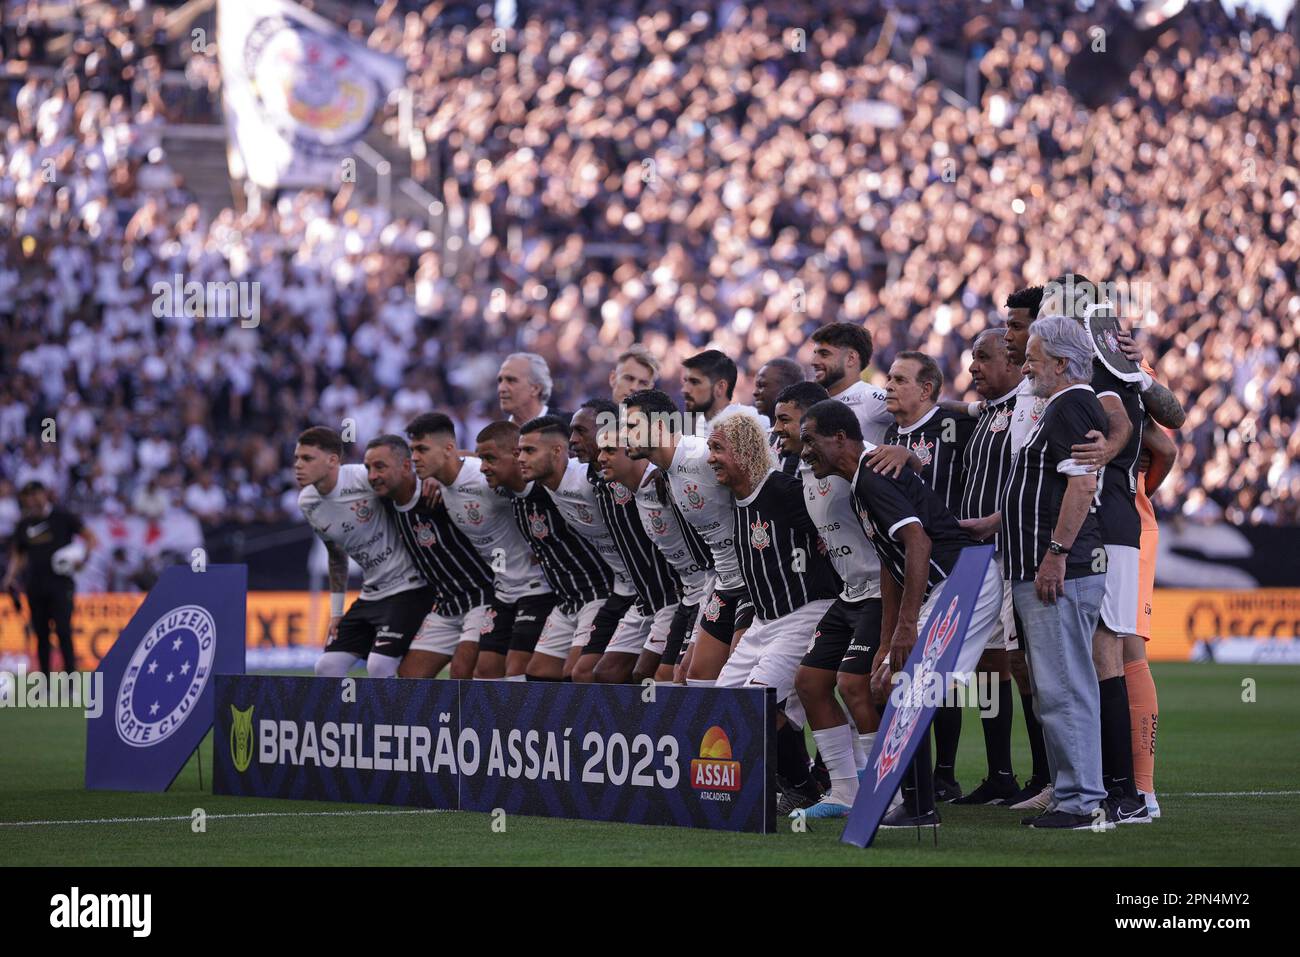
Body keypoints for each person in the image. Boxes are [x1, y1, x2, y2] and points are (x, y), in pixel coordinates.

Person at [800, 399, 1004, 829]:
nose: (803, 452)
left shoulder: (871, 477)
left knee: (911, 687)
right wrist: (886, 639)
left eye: (809, 440)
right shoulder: (861, 483)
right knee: (899, 684)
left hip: (961, 580)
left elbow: (918, 543)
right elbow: (891, 565)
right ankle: (916, 801)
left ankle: (921, 804)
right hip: (952, 582)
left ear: (840, 438)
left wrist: (908, 625)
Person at [999, 316, 1115, 830]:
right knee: (1060, 684)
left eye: (1034, 357)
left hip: (1058, 570)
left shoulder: (1069, 404)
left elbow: (1081, 485)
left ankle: (1080, 799)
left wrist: (1055, 552)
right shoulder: (1066, 405)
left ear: (1062, 364)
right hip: (1050, 565)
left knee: (1063, 685)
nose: (1025, 365)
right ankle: (1075, 793)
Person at [706, 411, 839, 814]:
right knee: (720, 709)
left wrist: (825, 540)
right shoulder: (738, 499)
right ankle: (798, 785)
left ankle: (794, 789)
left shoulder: (783, 490)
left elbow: (832, 521)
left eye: (718, 448)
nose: (711, 458)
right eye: (709, 448)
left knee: (757, 707)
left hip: (803, 614)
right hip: (764, 621)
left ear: (745, 451)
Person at [773, 381, 887, 818]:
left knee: (854, 685)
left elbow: (907, 524)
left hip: (881, 590)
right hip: (850, 592)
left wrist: (908, 454)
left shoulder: (867, 462)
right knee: (810, 683)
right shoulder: (803, 467)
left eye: (788, 422)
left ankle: (884, 792)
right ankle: (843, 791)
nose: (781, 432)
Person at [882, 349, 977, 800]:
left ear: (926, 390)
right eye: (889, 378)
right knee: (923, 672)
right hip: (912, 569)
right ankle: (924, 779)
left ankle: (946, 774)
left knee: (975, 672)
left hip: (960, 565)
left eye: (900, 379)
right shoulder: (887, 433)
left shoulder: (955, 429)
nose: (889, 386)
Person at [405, 412, 555, 680]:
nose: (414, 457)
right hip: (502, 591)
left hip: (537, 587)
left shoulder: (485, 479)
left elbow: (529, 489)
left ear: (448, 448)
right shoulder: (439, 483)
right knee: (484, 671)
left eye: (422, 449)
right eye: (412, 450)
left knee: (516, 671)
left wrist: (544, 548)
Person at [622, 389, 748, 686]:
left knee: (741, 686)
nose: (624, 435)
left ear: (661, 426)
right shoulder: (668, 471)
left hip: (752, 583)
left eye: (632, 426)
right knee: (691, 678)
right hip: (722, 582)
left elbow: (761, 484)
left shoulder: (702, 455)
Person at [950, 329, 1026, 806]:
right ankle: (1001, 774)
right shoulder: (989, 410)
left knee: (1025, 668)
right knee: (988, 669)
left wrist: (997, 522)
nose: (973, 367)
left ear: (1014, 361)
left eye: (983, 358)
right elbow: (960, 408)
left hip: (1014, 555)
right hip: (980, 559)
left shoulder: (1029, 407)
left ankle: (1047, 779)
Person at [295, 428, 434, 679]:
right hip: (371, 594)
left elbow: (405, 479)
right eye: (297, 458)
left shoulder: (363, 477)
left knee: (379, 666)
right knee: (326, 668)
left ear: (332, 461)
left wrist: (432, 478)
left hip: (408, 588)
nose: (298, 465)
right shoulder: (307, 502)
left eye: (307, 458)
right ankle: (346, 719)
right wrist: (336, 613)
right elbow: (336, 557)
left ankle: (401, 717)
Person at [361, 434, 495, 680]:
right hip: (446, 605)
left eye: (380, 467)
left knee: (461, 673)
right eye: (368, 468)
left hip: (483, 598)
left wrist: (437, 474)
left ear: (405, 467)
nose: (372, 475)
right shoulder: (383, 499)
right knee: (409, 678)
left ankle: (469, 719)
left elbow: (478, 460)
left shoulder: (435, 490)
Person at [569, 400, 680, 684]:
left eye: (610, 450)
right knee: (600, 673)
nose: (602, 458)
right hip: (641, 598)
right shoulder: (596, 481)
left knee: (650, 674)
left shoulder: (660, 483)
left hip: (675, 597)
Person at [596, 421, 713, 683]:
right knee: (646, 677)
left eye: (610, 450)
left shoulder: (666, 480)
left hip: (706, 589)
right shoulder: (630, 491)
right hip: (682, 595)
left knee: (672, 678)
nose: (601, 458)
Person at [505, 418, 618, 680]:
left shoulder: (587, 479)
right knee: (535, 673)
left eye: (529, 451)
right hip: (568, 598)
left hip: (600, 590)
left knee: (577, 673)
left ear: (557, 451)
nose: (520, 458)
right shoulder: (540, 487)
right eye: (519, 451)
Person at [3, 481, 98, 674]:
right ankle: (45, 682)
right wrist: (10, 576)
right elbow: (19, 555)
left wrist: (83, 558)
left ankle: (71, 680)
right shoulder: (24, 524)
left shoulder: (62, 517)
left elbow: (90, 537)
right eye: (28, 496)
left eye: (36, 494)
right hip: (35, 585)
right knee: (41, 634)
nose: (33, 499)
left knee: (63, 631)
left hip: (60, 584)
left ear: (45, 494)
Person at [809, 322, 894, 442]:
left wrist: (906, 453)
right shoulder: (813, 402)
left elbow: (922, 413)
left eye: (824, 354)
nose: (814, 361)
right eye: (815, 354)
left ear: (851, 358)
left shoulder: (870, 397)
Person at [681, 349, 769, 437]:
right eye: (685, 381)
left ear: (720, 387)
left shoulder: (750, 422)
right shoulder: (694, 427)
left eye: (694, 382)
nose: (685, 389)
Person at [752, 357, 805, 474]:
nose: (755, 392)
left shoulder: (801, 439)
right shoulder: (762, 438)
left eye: (762, 385)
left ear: (788, 387)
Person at [498, 353, 566, 425]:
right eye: (500, 380)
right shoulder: (494, 434)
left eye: (511, 380)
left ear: (535, 389)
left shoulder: (570, 426)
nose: (501, 388)